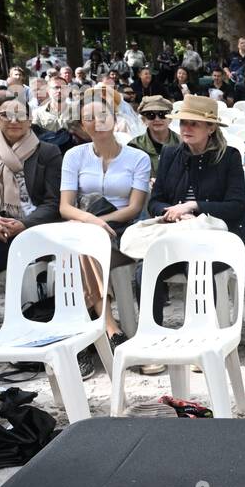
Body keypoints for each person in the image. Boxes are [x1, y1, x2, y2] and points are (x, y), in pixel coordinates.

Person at [58, 89, 150, 349]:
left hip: (122, 233)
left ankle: (90, 333)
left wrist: (100, 222)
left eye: (102, 115)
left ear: (114, 118)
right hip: (86, 229)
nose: (97, 122)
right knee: (81, 241)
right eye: (89, 118)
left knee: (77, 244)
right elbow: (65, 206)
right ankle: (110, 327)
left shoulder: (137, 158)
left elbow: (134, 208)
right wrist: (91, 221)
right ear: (82, 125)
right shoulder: (74, 156)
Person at [0, 97, 64, 304]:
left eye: (21, 115)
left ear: (30, 120)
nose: (14, 121)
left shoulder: (48, 152)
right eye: (6, 115)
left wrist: (23, 224)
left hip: (35, 226)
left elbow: (53, 201)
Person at [149, 95, 245, 247]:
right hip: (178, 230)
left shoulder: (229, 156)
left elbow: (236, 206)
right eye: (183, 123)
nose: (186, 128)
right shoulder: (169, 154)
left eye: (194, 124)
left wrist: (193, 206)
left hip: (222, 235)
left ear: (211, 128)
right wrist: (176, 214)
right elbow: (155, 202)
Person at [128, 95, 180, 176]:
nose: (157, 119)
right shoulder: (134, 146)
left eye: (162, 114)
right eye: (150, 115)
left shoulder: (183, 143)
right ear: (143, 120)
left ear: (170, 119)